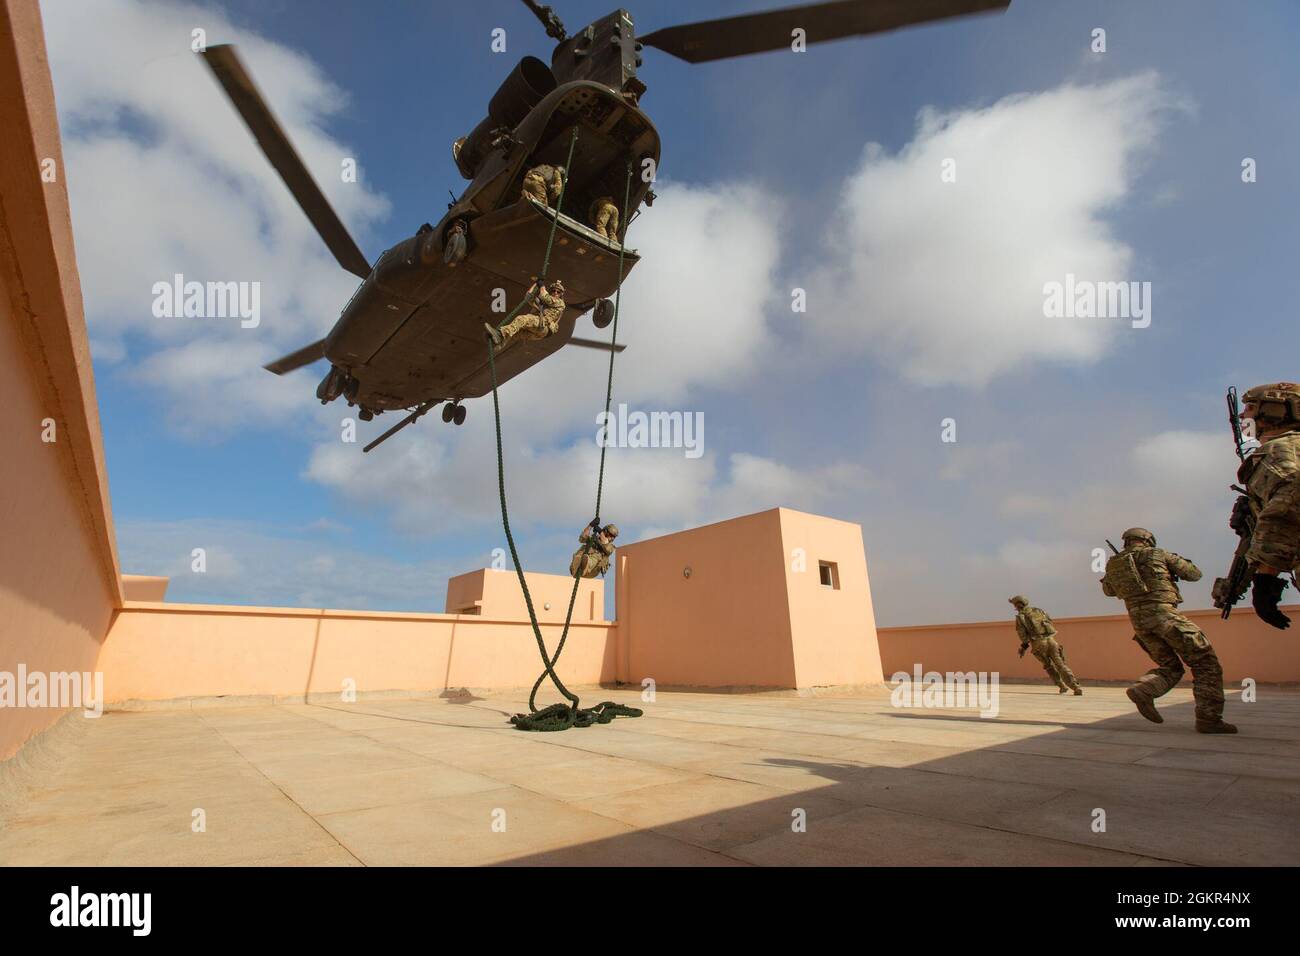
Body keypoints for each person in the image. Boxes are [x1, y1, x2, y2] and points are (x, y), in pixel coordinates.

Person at [1101, 527, 1235, 733]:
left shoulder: (1113, 564)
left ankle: (1144, 690)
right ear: (1148, 540)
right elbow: (1194, 574)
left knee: (1170, 666)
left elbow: (1109, 591)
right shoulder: (1158, 554)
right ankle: (1209, 719)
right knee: (1205, 663)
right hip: (1165, 616)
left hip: (1139, 622)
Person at [1236, 382, 1300, 629]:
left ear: (1274, 411)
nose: (1243, 416)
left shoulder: (1281, 451)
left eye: (1250, 408)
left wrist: (1265, 576)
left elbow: (1288, 505)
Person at [1009, 595, 1081, 694]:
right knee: (1061, 665)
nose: (1014, 607)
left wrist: (1023, 648)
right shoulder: (1038, 610)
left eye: (1014, 605)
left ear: (1018, 605)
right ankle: (1076, 687)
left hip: (1039, 644)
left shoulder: (1021, 617)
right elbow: (1049, 621)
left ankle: (1062, 686)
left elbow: (1023, 636)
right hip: (1051, 640)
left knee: (1048, 666)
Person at [485, 279, 565, 348]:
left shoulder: (560, 303)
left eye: (558, 292)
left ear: (561, 294)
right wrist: (536, 284)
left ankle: (500, 334)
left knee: (522, 319)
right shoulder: (543, 303)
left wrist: (542, 285)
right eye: (554, 291)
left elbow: (544, 296)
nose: (555, 293)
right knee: (516, 333)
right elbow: (528, 297)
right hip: (538, 332)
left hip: (543, 327)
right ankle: (497, 343)